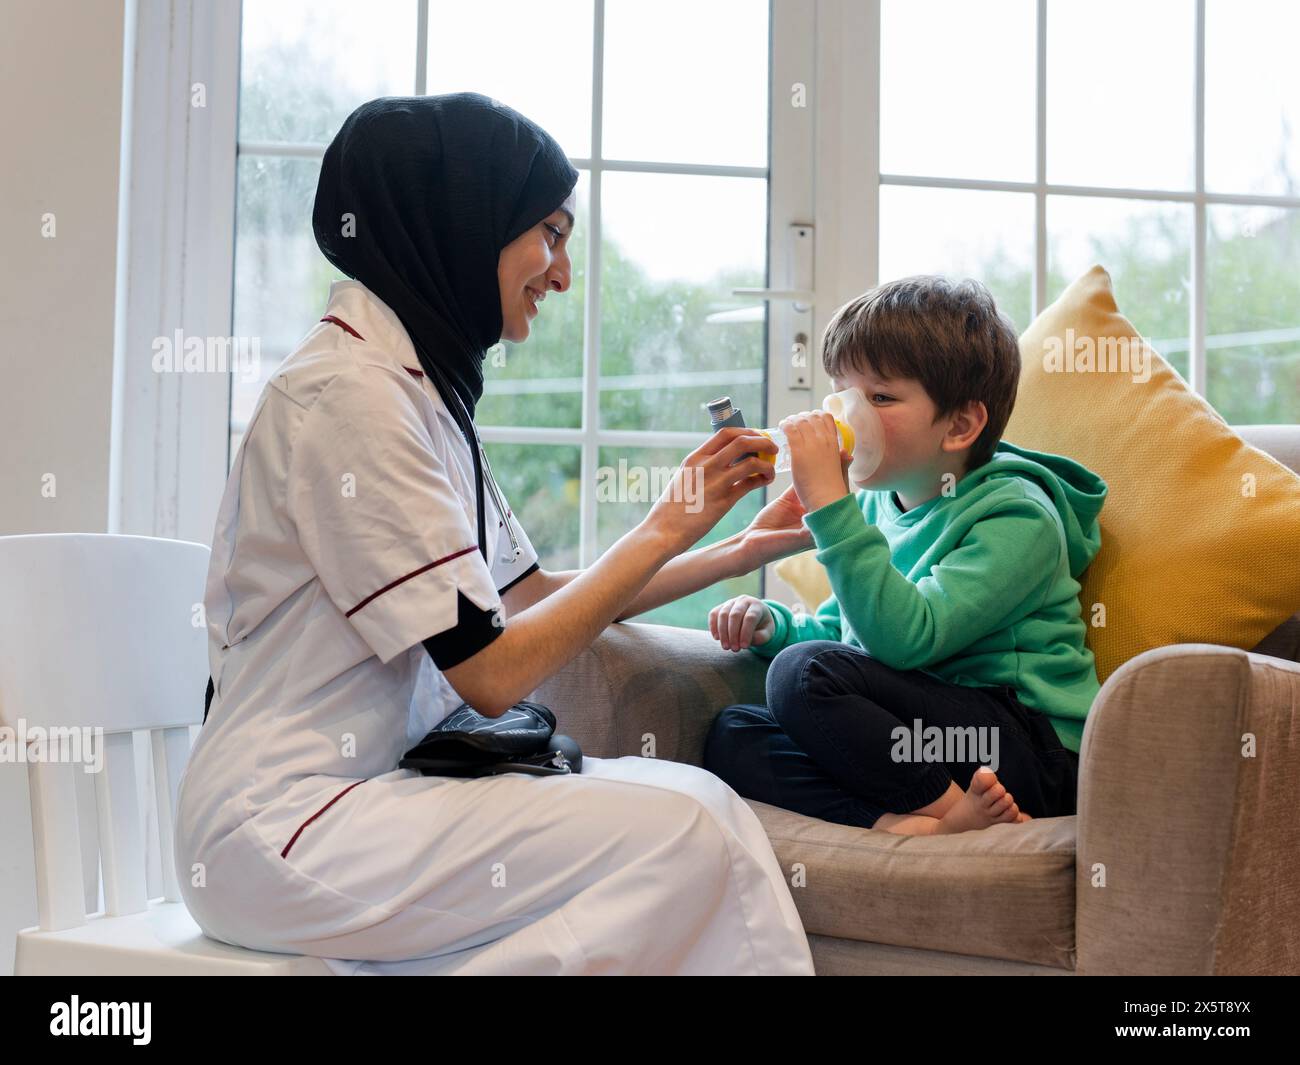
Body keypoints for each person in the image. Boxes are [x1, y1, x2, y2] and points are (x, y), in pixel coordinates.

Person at [175, 93, 815, 975]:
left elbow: (531, 599)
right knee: (686, 833)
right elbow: (491, 670)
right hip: (287, 826)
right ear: (463, 219)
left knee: (708, 806)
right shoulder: (349, 400)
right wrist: (667, 519)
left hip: (372, 795)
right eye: (548, 233)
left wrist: (744, 545)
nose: (561, 272)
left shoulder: (417, 390)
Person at [702, 276, 1107, 836]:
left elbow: (906, 639)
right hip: (923, 737)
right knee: (733, 732)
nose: (848, 414)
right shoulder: (875, 502)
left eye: (880, 397)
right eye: (843, 391)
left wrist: (830, 505)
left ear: (960, 425)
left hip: (1022, 747)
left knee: (805, 674)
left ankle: (946, 808)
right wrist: (775, 627)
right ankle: (913, 821)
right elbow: (848, 634)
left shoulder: (1018, 517)